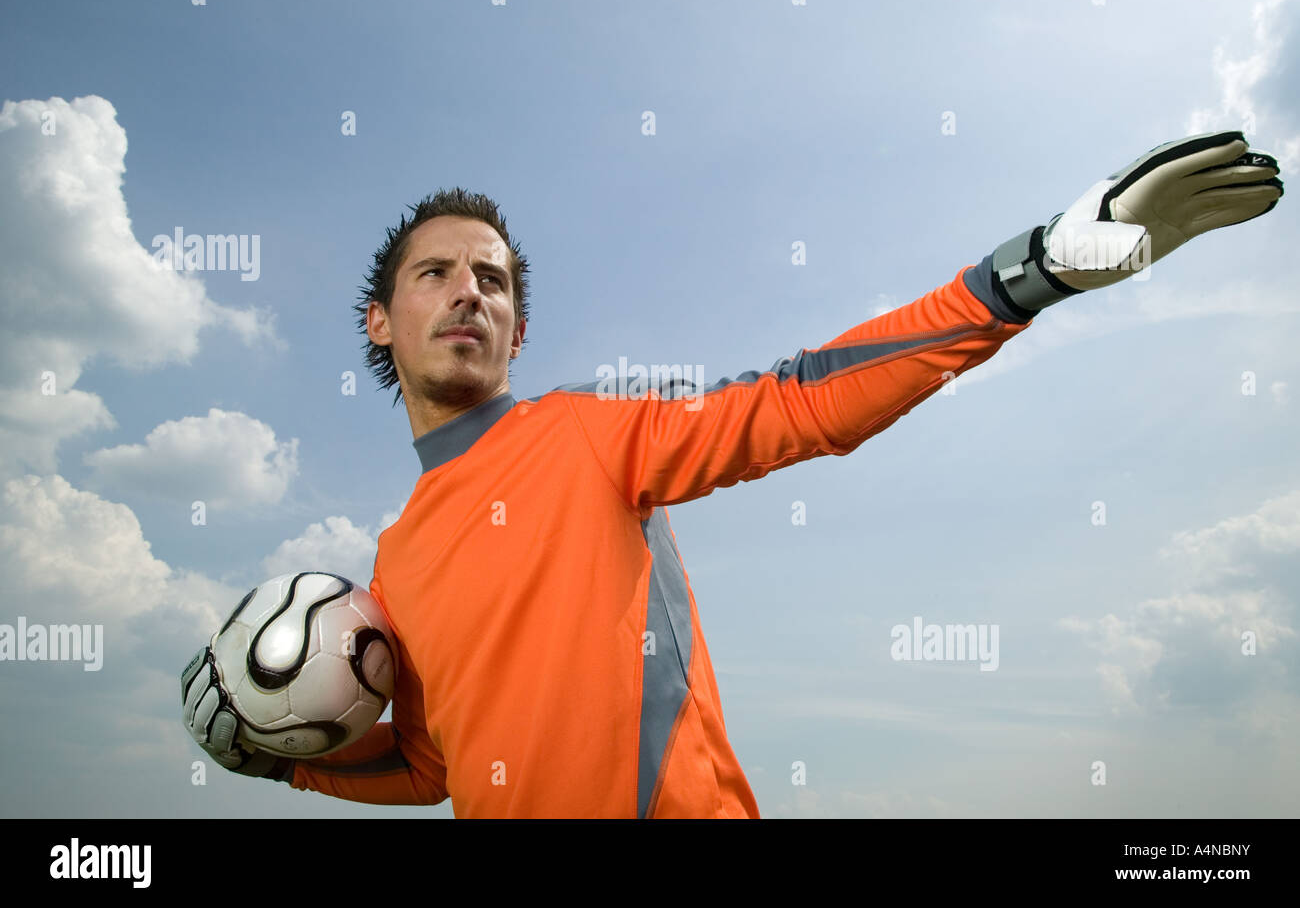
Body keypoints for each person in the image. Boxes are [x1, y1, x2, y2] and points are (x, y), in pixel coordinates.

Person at [183, 132, 1282, 817]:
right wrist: (282, 767)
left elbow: (794, 402)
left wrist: (1024, 274)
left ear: (517, 333)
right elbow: (431, 767)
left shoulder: (581, 436)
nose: (470, 292)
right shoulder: (391, 564)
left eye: (495, 280)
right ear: (381, 321)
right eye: (436, 274)